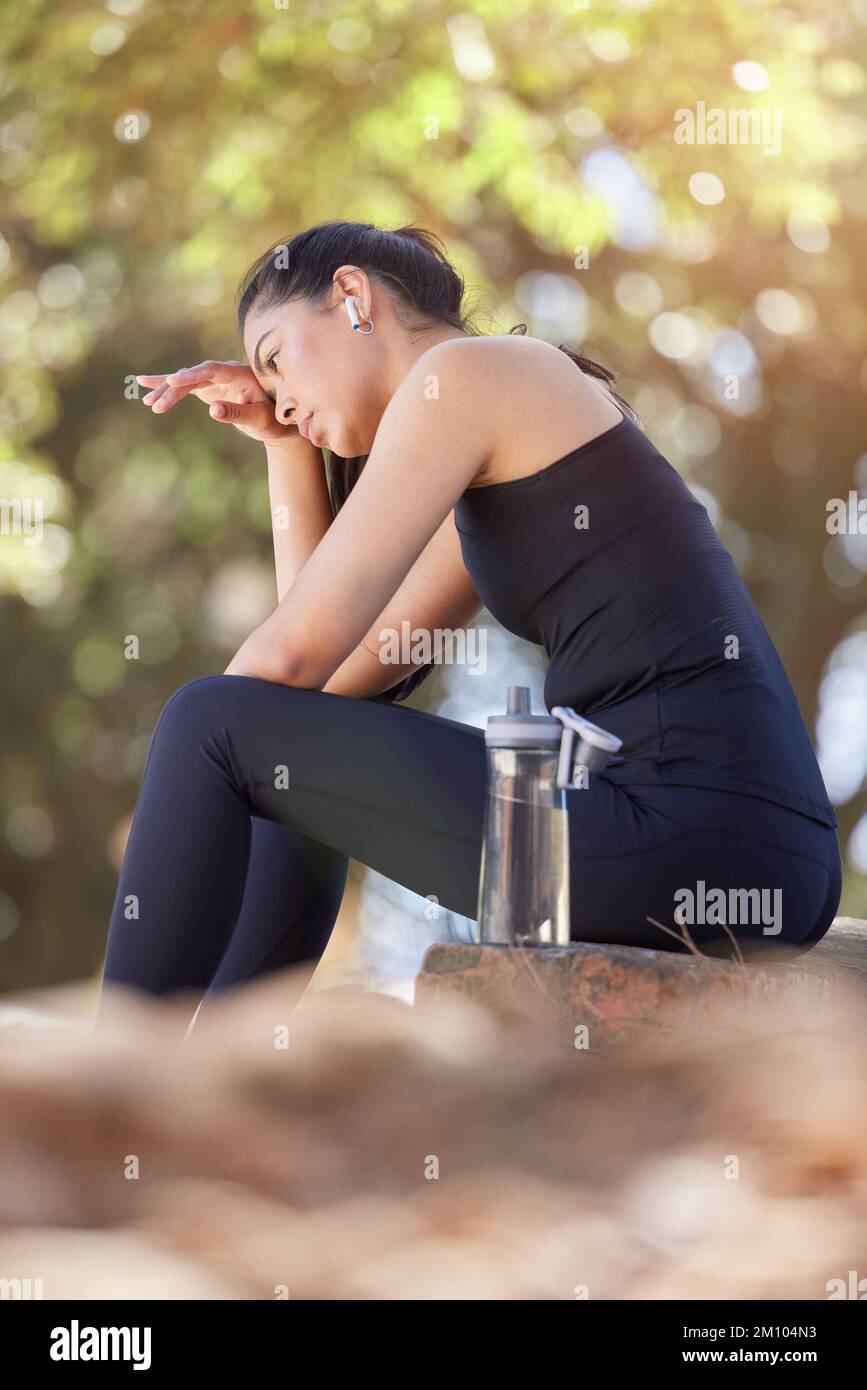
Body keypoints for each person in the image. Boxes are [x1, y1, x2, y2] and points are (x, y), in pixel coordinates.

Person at [97, 219, 842, 1027]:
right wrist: (283, 443)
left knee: (205, 718)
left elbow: (281, 671)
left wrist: (192, 774)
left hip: (693, 834)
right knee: (274, 751)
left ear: (352, 296)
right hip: (746, 859)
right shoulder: (493, 427)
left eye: (276, 357)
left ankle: (114, 1082)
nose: (275, 391)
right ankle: (201, 1070)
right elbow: (327, 684)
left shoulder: (468, 374)